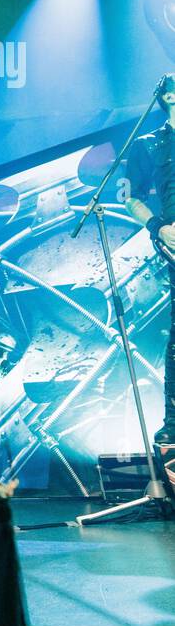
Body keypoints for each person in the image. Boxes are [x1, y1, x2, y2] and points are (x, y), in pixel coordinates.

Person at [121, 73, 175, 447]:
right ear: (168, 96)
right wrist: (159, 227)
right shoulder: (149, 144)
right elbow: (130, 196)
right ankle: (173, 418)